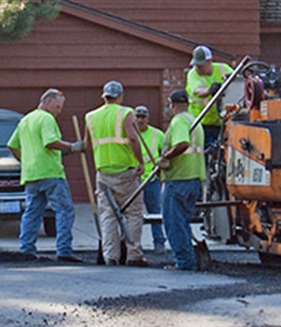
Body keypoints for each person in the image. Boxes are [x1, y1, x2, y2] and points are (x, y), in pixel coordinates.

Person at [7, 89, 85, 262]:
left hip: (31, 174)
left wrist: (26, 161)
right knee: (65, 210)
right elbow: (50, 142)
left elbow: (12, 145)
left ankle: (26, 249)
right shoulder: (46, 118)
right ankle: (64, 250)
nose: (59, 111)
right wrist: (73, 147)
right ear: (48, 102)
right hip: (51, 173)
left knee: (32, 213)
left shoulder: (26, 120)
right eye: (58, 107)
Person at [85, 81, 148, 267]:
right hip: (125, 171)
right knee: (133, 213)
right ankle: (133, 255)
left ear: (104, 96)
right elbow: (132, 138)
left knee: (108, 215)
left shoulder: (90, 116)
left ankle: (110, 256)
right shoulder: (125, 113)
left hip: (103, 172)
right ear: (120, 96)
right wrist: (140, 162)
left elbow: (86, 144)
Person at [158, 90, 205, 271]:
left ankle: (184, 263)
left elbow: (182, 144)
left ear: (172, 104)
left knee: (174, 223)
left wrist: (166, 158)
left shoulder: (178, 121)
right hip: (194, 178)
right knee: (183, 221)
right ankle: (188, 260)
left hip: (178, 178)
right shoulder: (194, 120)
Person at [134, 105, 168, 255]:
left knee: (155, 213)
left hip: (151, 179)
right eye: (138, 117)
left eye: (143, 117)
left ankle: (159, 243)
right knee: (132, 215)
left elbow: (166, 154)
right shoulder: (129, 134)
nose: (140, 120)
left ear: (148, 119)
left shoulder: (157, 135)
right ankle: (134, 244)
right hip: (134, 180)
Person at [185, 45, 233, 147]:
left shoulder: (223, 69)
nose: (198, 68)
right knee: (203, 153)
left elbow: (237, 84)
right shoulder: (193, 74)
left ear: (209, 61)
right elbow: (197, 91)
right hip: (201, 122)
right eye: (196, 65)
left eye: (200, 65)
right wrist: (210, 90)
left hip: (221, 122)